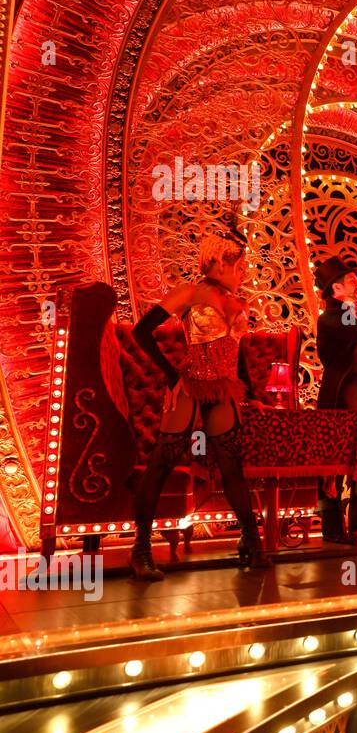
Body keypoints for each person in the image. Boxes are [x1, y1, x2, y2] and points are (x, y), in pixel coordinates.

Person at [130, 223, 268, 580]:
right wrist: (171, 375)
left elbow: (238, 355)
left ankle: (252, 544)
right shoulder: (188, 293)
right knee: (163, 462)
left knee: (233, 469)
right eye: (238, 267)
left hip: (222, 389)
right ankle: (141, 550)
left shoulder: (240, 302)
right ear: (219, 263)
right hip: (190, 386)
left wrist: (252, 394)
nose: (242, 273)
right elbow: (141, 332)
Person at [314, 256, 357, 544]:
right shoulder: (332, 316)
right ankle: (333, 528)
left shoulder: (345, 312)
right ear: (335, 289)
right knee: (336, 461)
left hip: (356, 396)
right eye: (351, 279)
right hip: (340, 397)